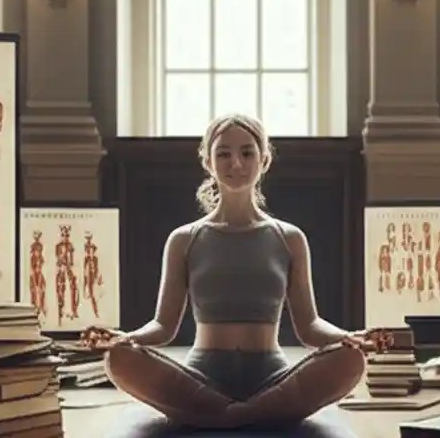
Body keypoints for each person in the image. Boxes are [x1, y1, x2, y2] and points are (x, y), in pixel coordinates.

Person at [82, 114, 388, 429]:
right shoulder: (185, 239)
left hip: (273, 379)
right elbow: (163, 326)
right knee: (119, 358)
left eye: (247, 152)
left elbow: (309, 327)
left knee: (350, 359)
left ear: (264, 159)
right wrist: (125, 338)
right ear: (207, 161)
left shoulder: (290, 238)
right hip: (200, 380)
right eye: (223, 154)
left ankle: (224, 417)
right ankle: (253, 414)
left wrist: (350, 338)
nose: (236, 164)